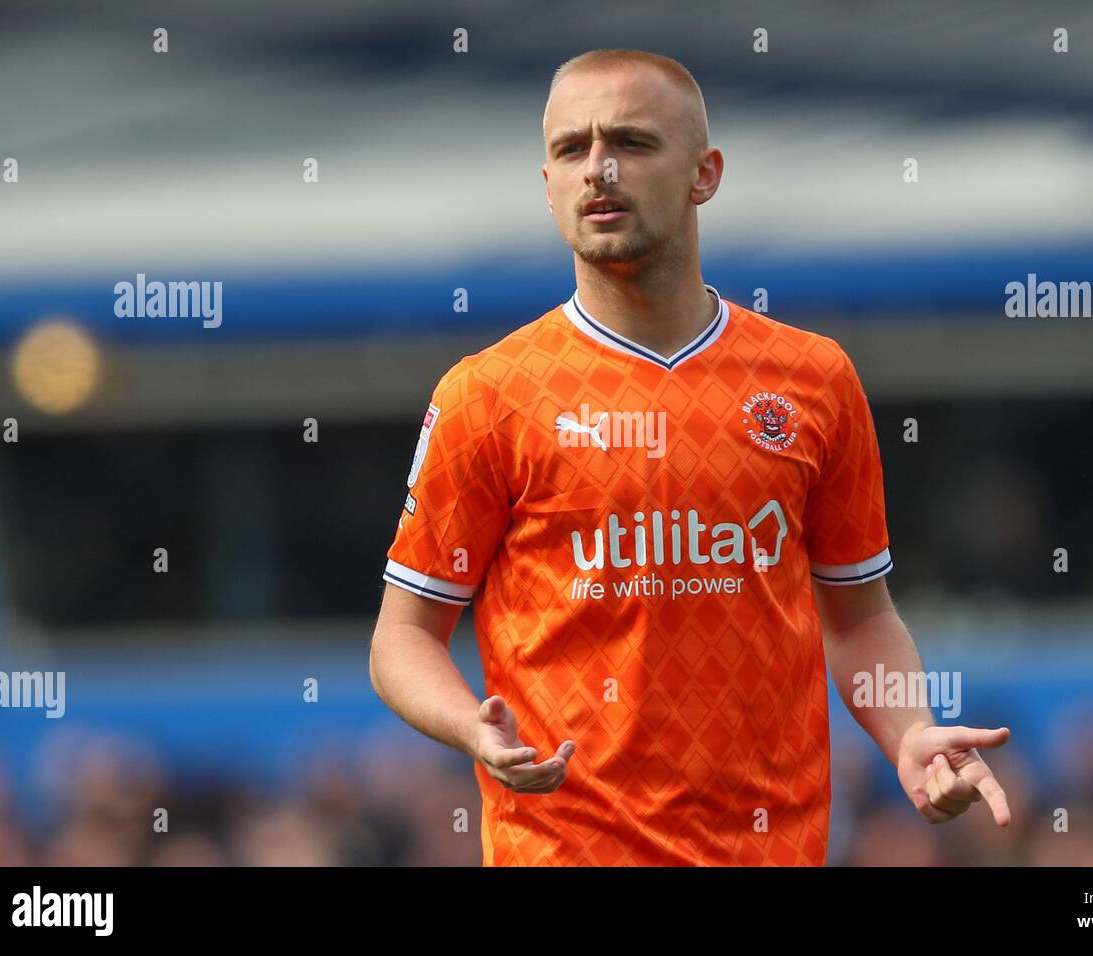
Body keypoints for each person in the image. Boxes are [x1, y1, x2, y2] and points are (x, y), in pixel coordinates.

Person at [369, 48, 1011, 865]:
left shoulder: (813, 378)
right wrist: (471, 728)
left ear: (705, 174)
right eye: (573, 149)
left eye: (631, 143)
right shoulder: (490, 395)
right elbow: (404, 637)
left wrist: (909, 729)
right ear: (548, 184)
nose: (598, 170)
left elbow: (859, 616)